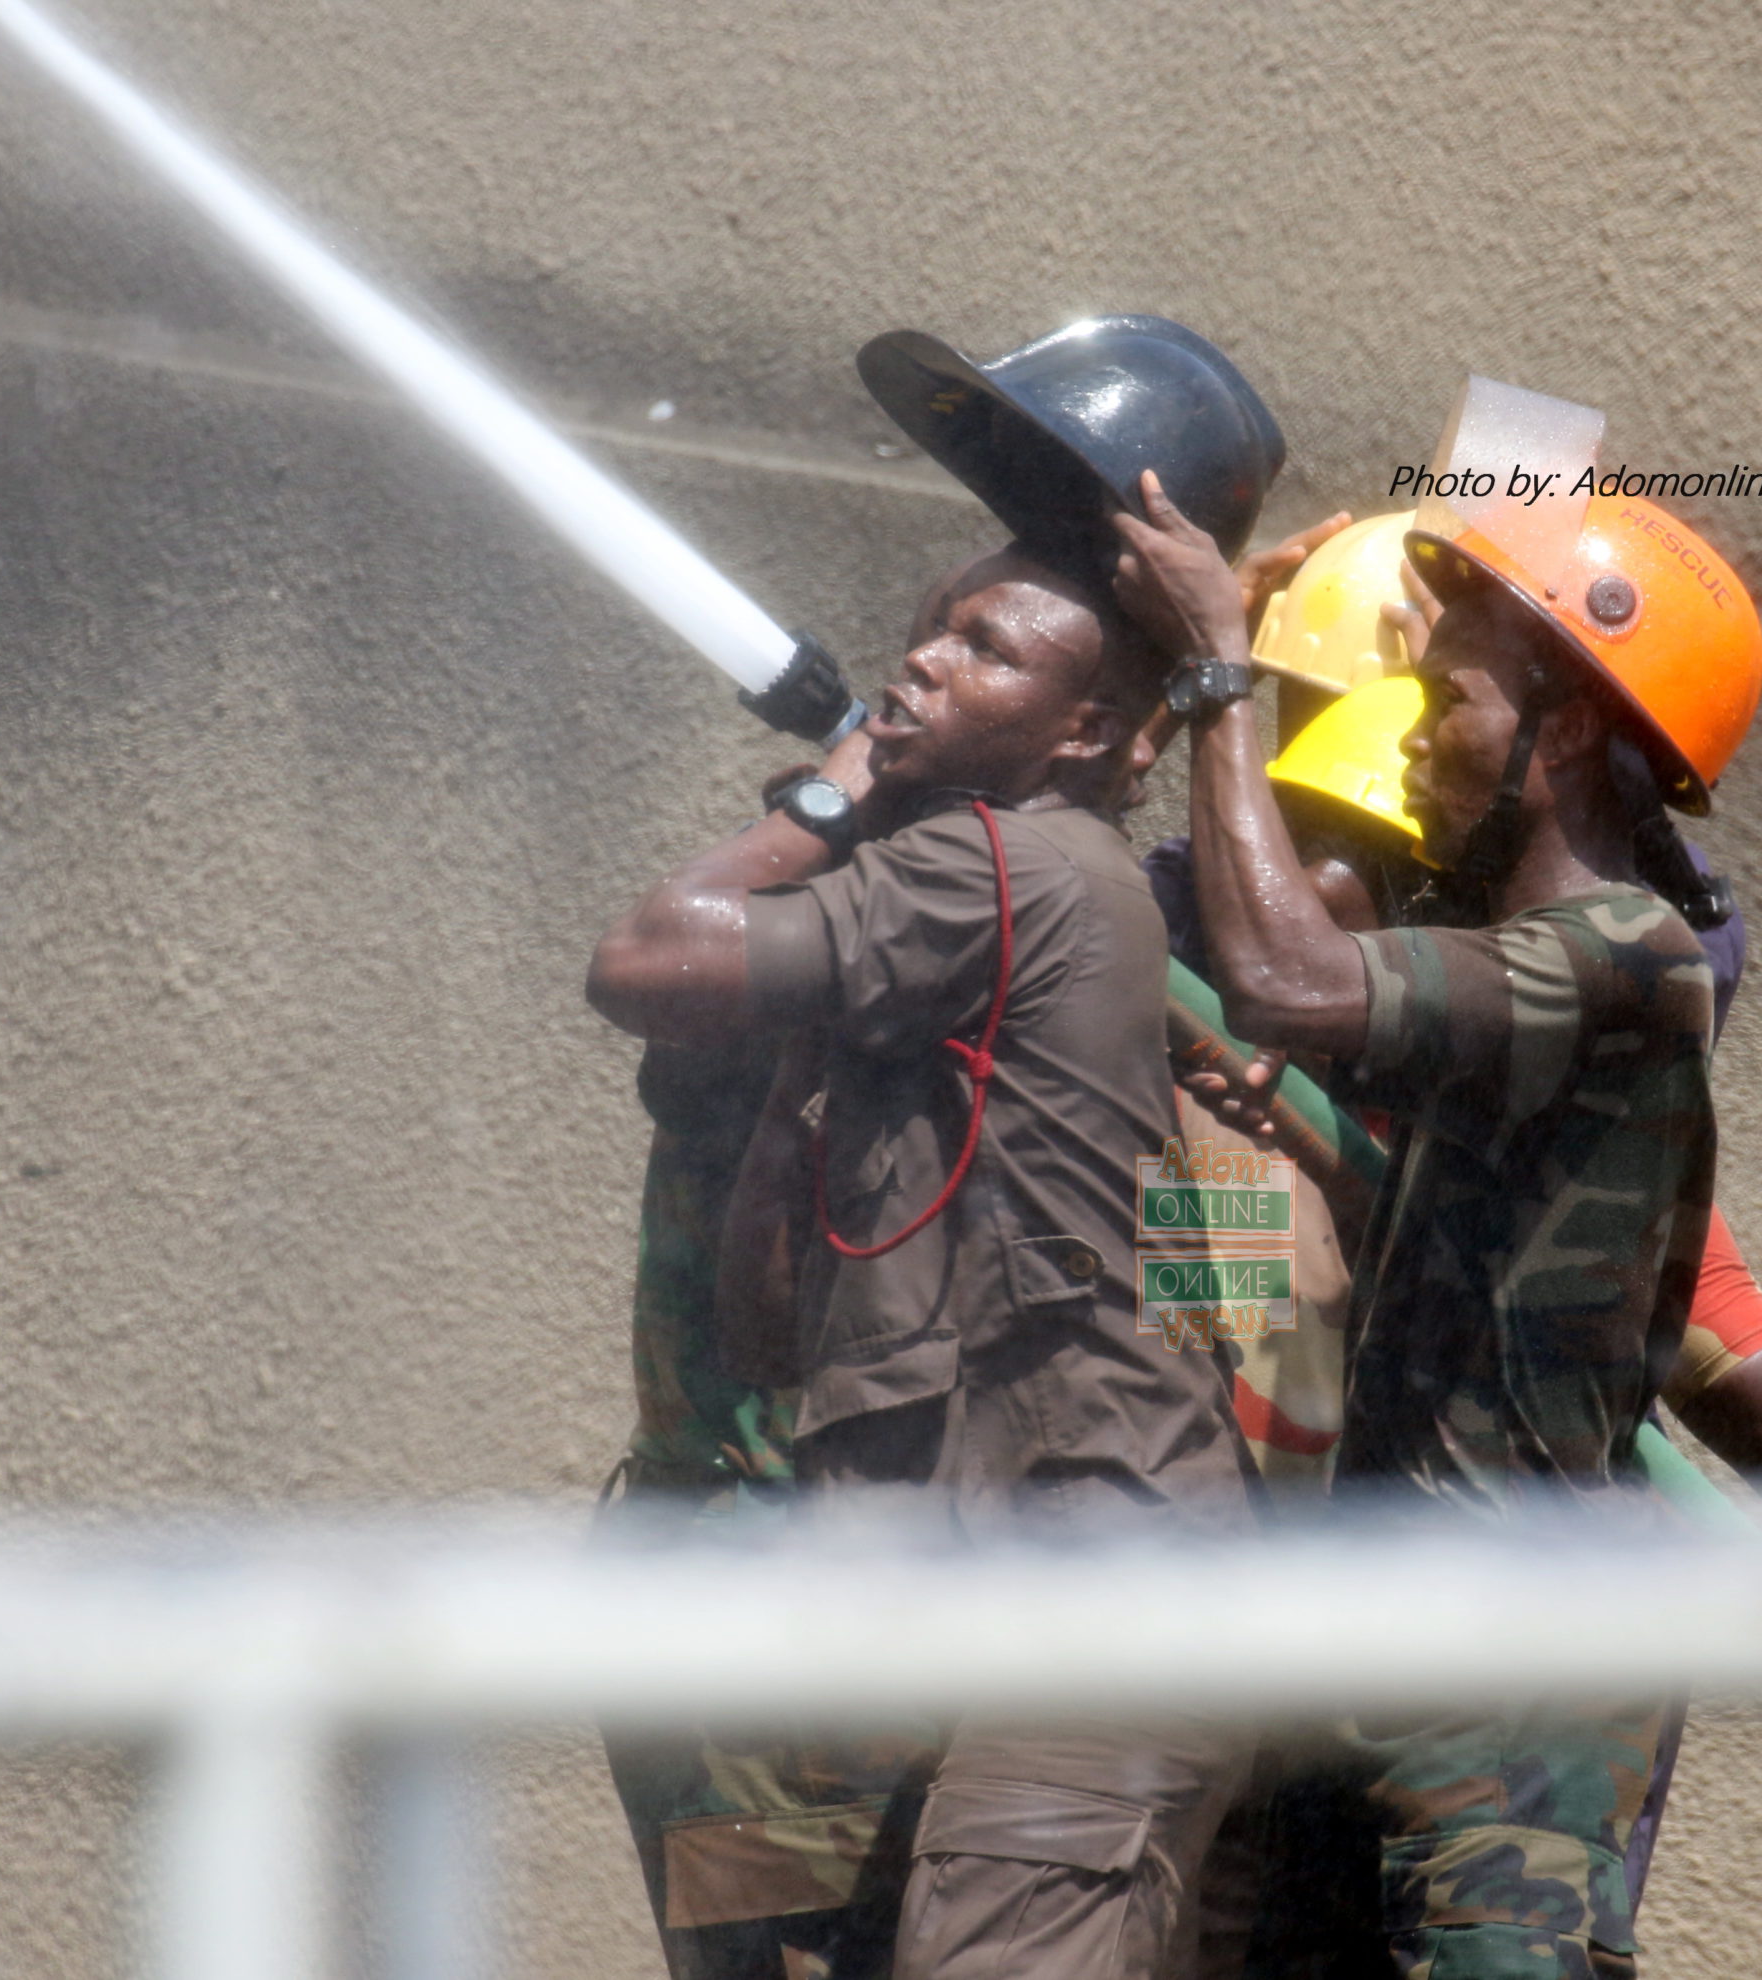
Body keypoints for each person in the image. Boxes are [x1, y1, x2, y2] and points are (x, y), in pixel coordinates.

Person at [589, 314, 1288, 1979]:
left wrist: (837, 789)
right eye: (930, 635)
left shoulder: (1035, 894)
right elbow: (761, 1301)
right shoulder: (958, 909)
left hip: (1026, 1598)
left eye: (982, 649)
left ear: (1101, 736)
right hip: (846, 1591)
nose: (923, 669)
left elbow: (643, 959)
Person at [1111, 452, 1756, 1980]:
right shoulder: (1415, 1070)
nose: (1411, 747)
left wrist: (1214, 666)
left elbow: (1288, 977)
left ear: (1567, 730)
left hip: (1507, 1692)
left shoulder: (1627, 960)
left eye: (1450, 701)